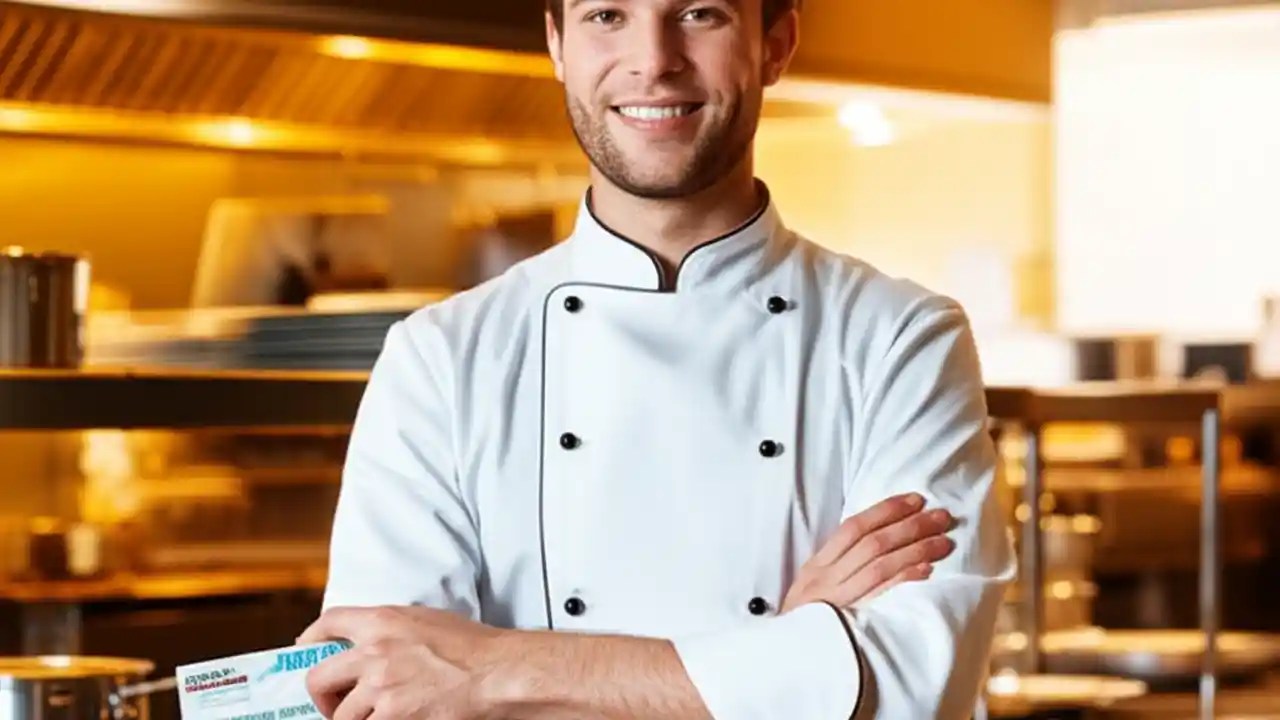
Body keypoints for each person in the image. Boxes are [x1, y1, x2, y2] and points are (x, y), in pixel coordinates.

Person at [298, 0, 1016, 718]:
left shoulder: (902, 338)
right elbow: (385, 690)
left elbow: (913, 688)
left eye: (699, 14)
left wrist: (493, 669)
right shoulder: (440, 359)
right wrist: (793, 662)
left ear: (777, 42)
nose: (654, 60)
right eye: (607, 15)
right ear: (556, 45)